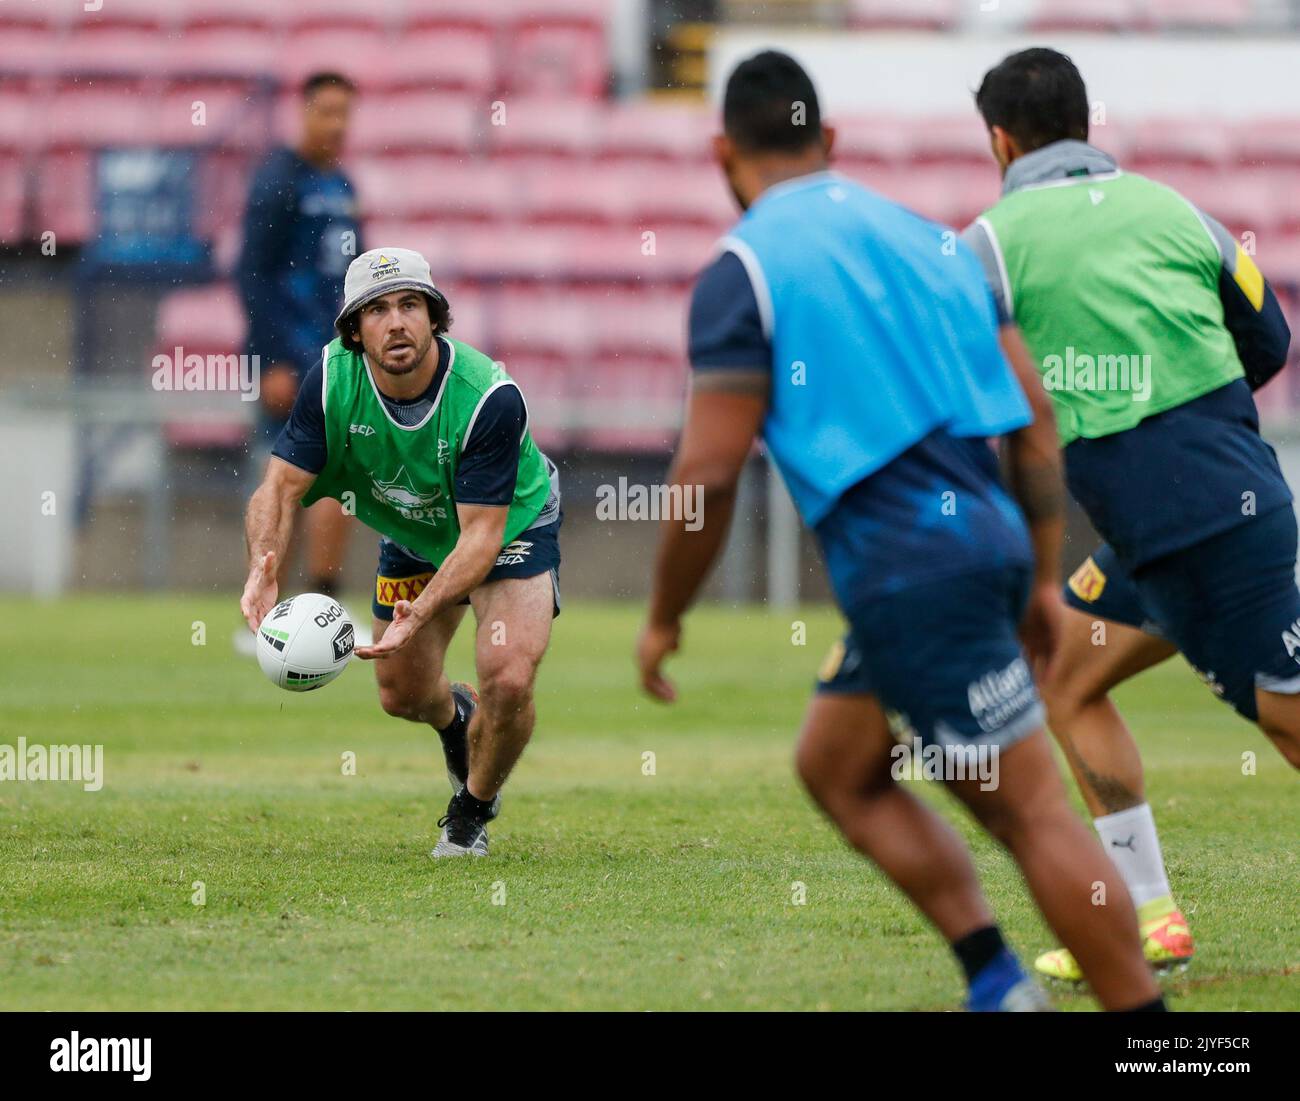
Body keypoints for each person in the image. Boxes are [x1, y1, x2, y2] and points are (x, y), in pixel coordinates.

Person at [636, 50, 1163, 1011]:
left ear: (723, 150)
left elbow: (707, 471)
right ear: (829, 140)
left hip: (909, 570)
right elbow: (1033, 416)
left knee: (1030, 811)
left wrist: (663, 612)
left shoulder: (741, 270)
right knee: (838, 766)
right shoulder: (939, 243)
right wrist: (1039, 576)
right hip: (984, 544)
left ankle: (1150, 1026)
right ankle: (999, 983)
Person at [963, 46, 1297, 983]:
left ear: (998, 139)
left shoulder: (989, 241)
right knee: (1066, 679)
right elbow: (1269, 335)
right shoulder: (1177, 209)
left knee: (1289, 722)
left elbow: (962, 391)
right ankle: (1145, 914)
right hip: (1189, 517)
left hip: (1199, 530)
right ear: (1085, 124)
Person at [240, 248, 563, 858]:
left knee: (511, 675)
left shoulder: (488, 397)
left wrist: (423, 609)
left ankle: (470, 811)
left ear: (434, 316)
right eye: (378, 309)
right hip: (417, 529)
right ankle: (457, 719)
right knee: (402, 694)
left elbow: (481, 539)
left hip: (509, 529)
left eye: (410, 305)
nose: (396, 322)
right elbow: (279, 487)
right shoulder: (333, 381)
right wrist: (264, 566)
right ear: (353, 330)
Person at [237, 71, 364, 601]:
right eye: (327, 111)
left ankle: (322, 603)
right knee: (282, 483)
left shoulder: (343, 186)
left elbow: (360, 274)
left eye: (345, 113)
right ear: (305, 111)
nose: (337, 124)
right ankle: (265, 606)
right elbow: (251, 273)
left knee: (344, 479)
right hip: (290, 358)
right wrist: (270, 359)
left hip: (336, 361)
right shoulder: (277, 181)